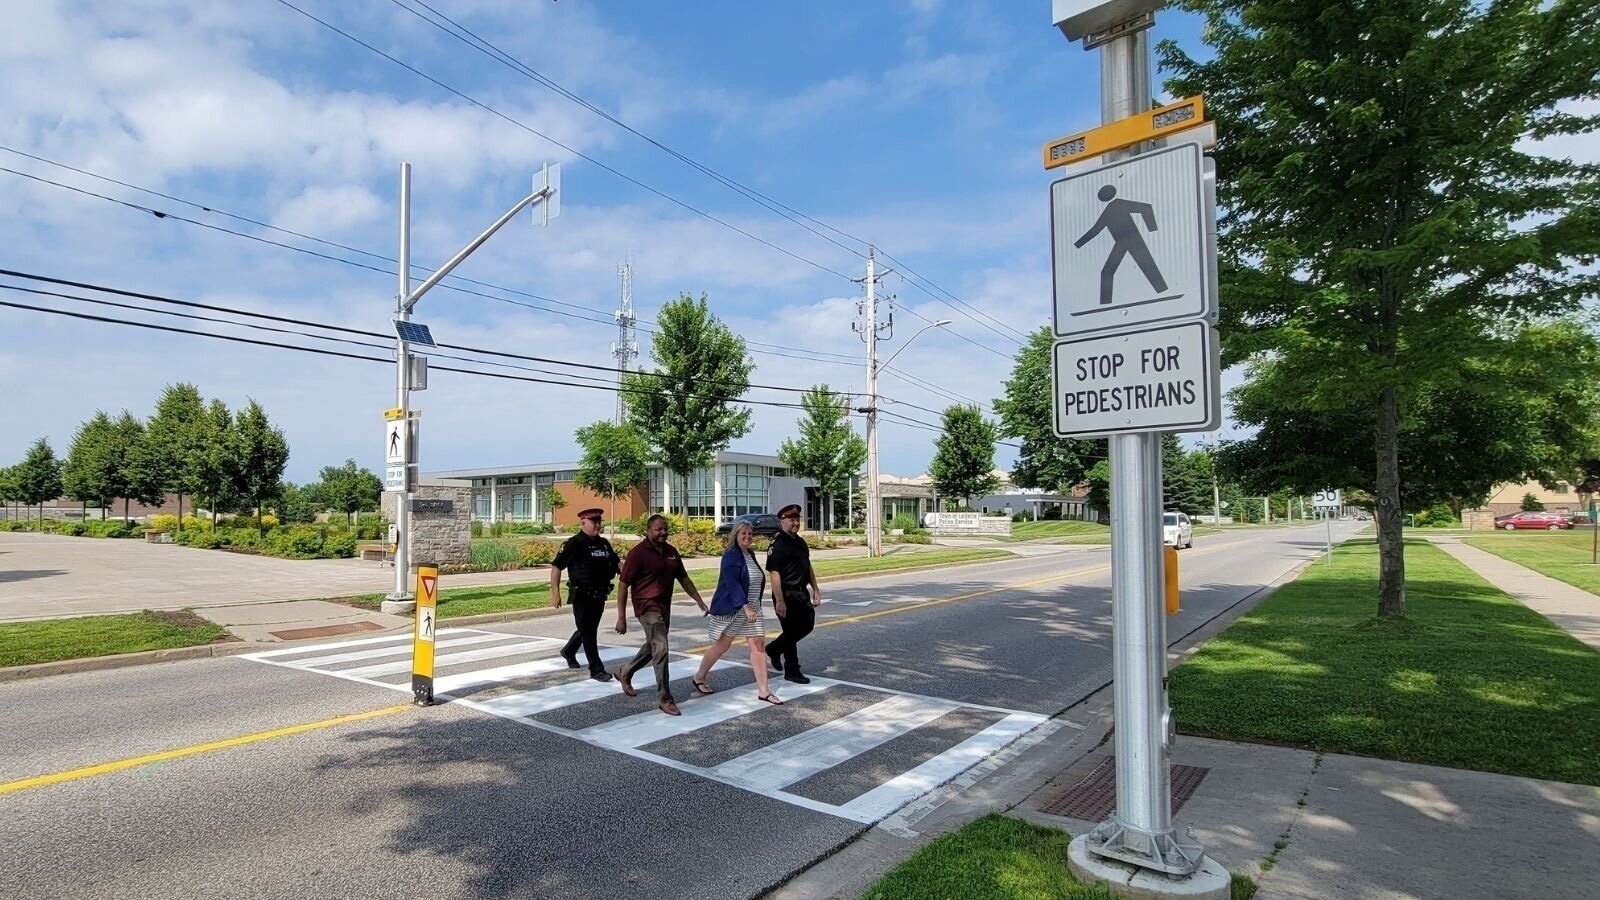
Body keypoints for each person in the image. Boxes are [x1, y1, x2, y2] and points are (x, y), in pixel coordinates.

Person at [614, 514, 707, 716]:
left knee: (654, 646)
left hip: (664, 607)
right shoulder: (638, 554)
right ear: (648, 530)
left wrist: (699, 600)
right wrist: (621, 617)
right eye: (658, 529)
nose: (663, 532)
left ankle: (625, 671)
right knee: (662, 648)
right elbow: (623, 586)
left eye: (665, 529)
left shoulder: (671, 552)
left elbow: (683, 578)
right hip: (646, 607)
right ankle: (665, 698)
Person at [693, 520, 781, 705]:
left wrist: (752, 605)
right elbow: (733, 584)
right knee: (722, 646)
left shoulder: (749, 553)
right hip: (737, 608)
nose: (748, 537)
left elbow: (753, 579)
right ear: (736, 535)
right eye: (744, 534)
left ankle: (764, 690)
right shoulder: (731, 555)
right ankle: (699, 677)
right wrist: (745, 606)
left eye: (750, 534)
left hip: (753, 608)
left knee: (758, 645)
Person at [551, 508, 619, 682]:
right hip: (581, 595)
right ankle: (596, 669)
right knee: (588, 631)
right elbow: (557, 566)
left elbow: (617, 563)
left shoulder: (604, 543)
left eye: (599, 522)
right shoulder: (573, 543)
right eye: (593, 522)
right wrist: (555, 592)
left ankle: (569, 651)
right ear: (583, 523)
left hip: (600, 594)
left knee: (588, 629)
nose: (597, 525)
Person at [765, 503, 822, 683]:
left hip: (801, 592)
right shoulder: (778, 543)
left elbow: (807, 566)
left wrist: (815, 588)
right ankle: (792, 670)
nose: (795, 523)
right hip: (786, 594)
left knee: (807, 624)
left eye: (797, 519)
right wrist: (780, 601)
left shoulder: (800, 542)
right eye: (791, 520)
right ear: (782, 521)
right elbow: (774, 573)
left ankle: (774, 649)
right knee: (790, 631)